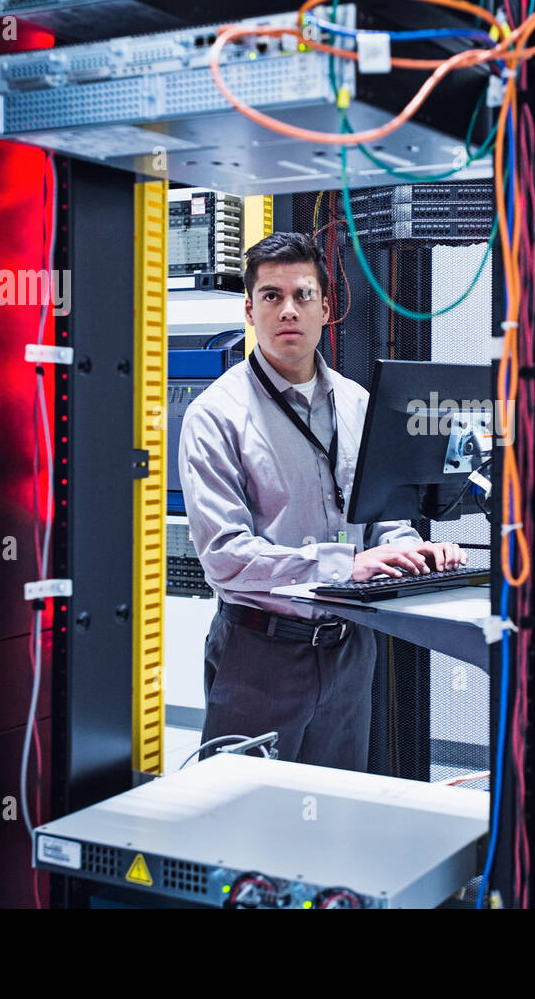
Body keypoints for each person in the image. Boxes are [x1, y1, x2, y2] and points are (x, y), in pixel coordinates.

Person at [178, 231, 466, 771]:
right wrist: (345, 566)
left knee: (336, 815)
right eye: (271, 296)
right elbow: (224, 557)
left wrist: (413, 551)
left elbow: (382, 519)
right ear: (249, 308)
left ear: (326, 307)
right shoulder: (215, 416)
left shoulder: (359, 404)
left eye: (303, 295)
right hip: (260, 652)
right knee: (245, 823)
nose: (288, 310)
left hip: (349, 652)